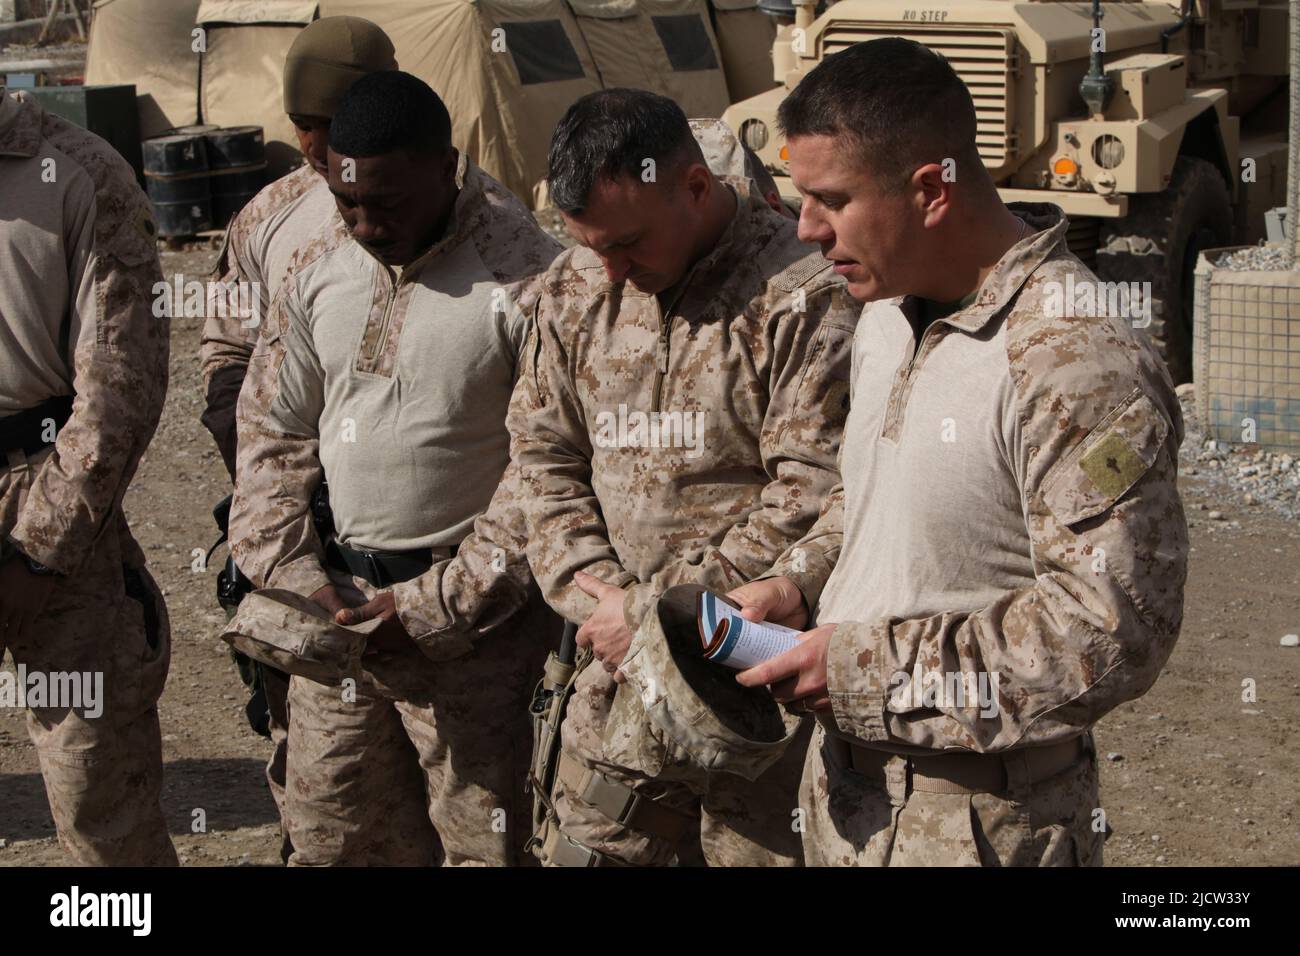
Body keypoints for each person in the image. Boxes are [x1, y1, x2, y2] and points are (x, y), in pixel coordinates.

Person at [729, 38, 1188, 866]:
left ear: (931, 190)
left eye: (830, 199)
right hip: (847, 800)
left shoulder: (1073, 357)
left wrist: (860, 670)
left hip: (976, 822)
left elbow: (1113, 627)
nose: (805, 228)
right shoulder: (885, 307)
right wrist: (798, 585)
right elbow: (877, 501)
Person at [509, 88, 859, 866]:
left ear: (695, 188)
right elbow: (543, 458)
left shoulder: (801, 297)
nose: (611, 268)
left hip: (753, 685)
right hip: (608, 669)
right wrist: (600, 599)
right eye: (592, 244)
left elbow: (812, 495)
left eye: (627, 243)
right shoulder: (575, 288)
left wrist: (655, 615)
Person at [230, 71, 562, 866]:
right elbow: (270, 434)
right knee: (336, 840)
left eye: (389, 203)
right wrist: (300, 580)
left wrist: (431, 606)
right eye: (347, 204)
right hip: (338, 625)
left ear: (448, 166)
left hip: (478, 637)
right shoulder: (316, 269)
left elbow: (548, 475)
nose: (367, 225)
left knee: (487, 846)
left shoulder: (529, 279)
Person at [197, 13, 398, 864]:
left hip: (428, 547)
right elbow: (225, 361)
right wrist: (277, 497)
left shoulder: (460, 201)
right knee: (318, 773)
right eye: (311, 134)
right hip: (301, 539)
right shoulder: (269, 218)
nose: (320, 150)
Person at [0, 84, 175, 865]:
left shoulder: (78, 174)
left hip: (51, 491)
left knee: (100, 803)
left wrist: (40, 550)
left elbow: (120, 384)